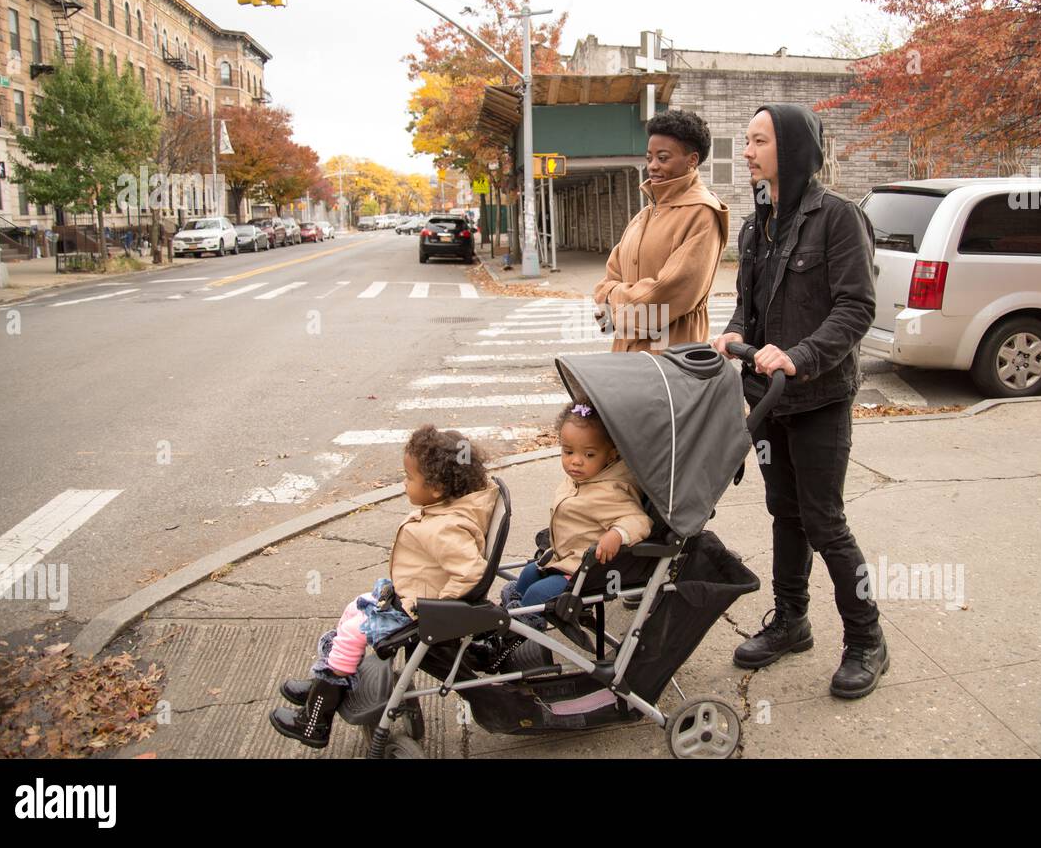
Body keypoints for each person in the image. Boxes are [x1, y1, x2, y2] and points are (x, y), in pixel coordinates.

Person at [713, 104, 886, 700]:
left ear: (789, 147)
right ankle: (792, 622)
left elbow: (856, 309)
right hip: (766, 400)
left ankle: (866, 639)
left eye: (758, 140)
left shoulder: (838, 219)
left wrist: (800, 356)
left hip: (818, 396)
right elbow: (750, 307)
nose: (748, 151)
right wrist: (733, 335)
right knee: (784, 515)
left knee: (824, 521)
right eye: (746, 140)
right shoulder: (754, 225)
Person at [269, 425, 498, 748]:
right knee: (354, 608)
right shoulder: (444, 511)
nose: (404, 482)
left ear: (434, 489)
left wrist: (439, 607)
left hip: (418, 608)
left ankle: (316, 720)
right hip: (409, 595)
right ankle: (325, 681)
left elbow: (471, 573)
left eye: (409, 477)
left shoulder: (447, 528)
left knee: (352, 634)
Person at [476, 401, 653, 672]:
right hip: (562, 559)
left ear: (611, 455)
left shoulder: (612, 490)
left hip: (585, 571)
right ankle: (503, 624)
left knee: (537, 594)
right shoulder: (582, 478)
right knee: (525, 576)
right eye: (568, 451)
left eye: (588, 454)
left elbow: (639, 520)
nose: (575, 461)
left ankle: (508, 645)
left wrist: (618, 533)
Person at [593, 109, 728, 352]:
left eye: (663, 158)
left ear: (692, 160)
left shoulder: (702, 214)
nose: (652, 166)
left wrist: (613, 300)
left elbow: (666, 295)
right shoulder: (644, 215)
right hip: (626, 354)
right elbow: (610, 275)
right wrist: (612, 304)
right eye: (649, 158)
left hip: (670, 355)